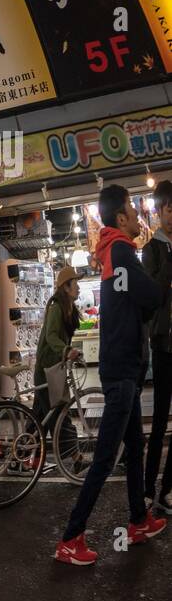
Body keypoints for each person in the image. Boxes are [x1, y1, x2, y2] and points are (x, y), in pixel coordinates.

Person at [56, 185, 169, 565]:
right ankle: (71, 537)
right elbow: (152, 296)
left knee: (134, 448)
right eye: (134, 213)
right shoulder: (121, 250)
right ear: (121, 218)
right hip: (121, 369)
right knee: (105, 458)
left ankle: (137, 521)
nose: (140, 219)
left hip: (125, 368)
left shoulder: (115, 251)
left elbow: (137, 300)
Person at [32, 266, 82, 459]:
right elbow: (51, 336)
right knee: (59, 412)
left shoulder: (69, 309)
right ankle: (76, 458)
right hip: (47, 369)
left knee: (38, 418)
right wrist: (66, 350)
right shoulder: (56, 308)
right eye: (75, 283)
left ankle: (26, 458)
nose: (78, 287)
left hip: (53, 367)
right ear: (66, 287)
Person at [145, 179, 172, 514]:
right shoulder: (152, 248)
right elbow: (154, 294)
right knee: (161, 421)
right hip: (163, 344)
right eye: (169, 209)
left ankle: (166, 491)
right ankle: (149, 490)